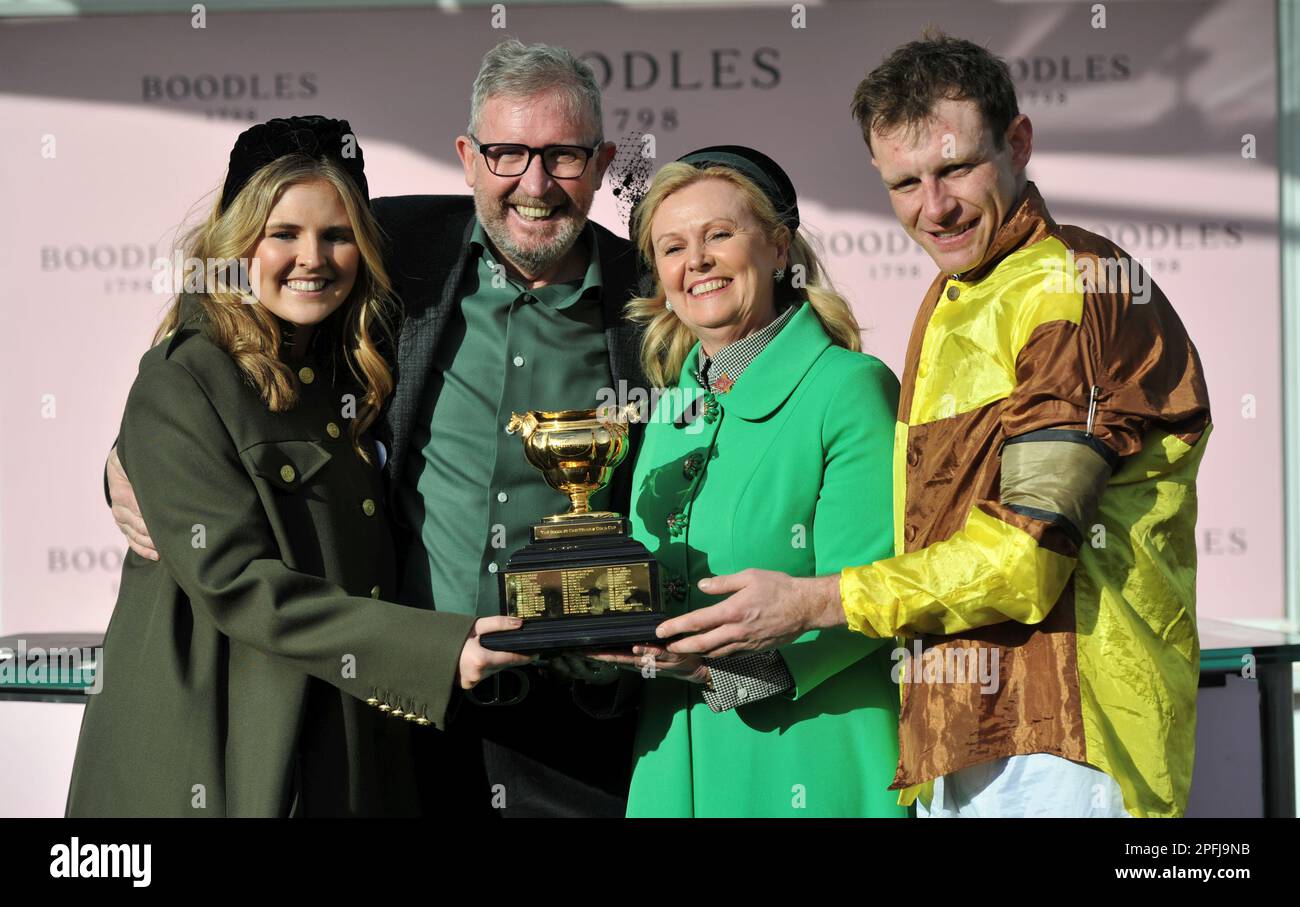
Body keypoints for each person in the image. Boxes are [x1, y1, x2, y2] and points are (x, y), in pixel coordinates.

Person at [656, 33, 1211, 819]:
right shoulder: (957, 291)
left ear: (1018, 143)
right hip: (960, 738)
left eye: (955, 169)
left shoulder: (1073, 290)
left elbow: (1026, 558)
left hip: (1069, 737)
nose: (933, 206)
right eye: (904, 183)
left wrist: (814, 601)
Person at [106, 41, 648, 818]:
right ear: (467, 158)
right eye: (506, 153)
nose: (534, 183)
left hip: (577, 725)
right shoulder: (399, 253)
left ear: (599, 164)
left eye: (562, 156)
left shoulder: (654, 296)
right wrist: (127, 464)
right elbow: (222, 365)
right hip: (400, 712)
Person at [68, 116, 531, 817]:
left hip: (349, 737)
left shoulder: (354, 365)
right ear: (237, 240)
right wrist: (438, 651)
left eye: (337, 234)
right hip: (220, 749)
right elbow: (238, 583)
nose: (312, 257)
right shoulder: (184, 377)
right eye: (282, 233)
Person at [587, 147, 905, 818]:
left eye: (719, 236)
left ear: (778, 244)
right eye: (672, 247)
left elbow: (874, 601)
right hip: (671, 765)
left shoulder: (850, 388)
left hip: (813, 766)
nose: (694, 261)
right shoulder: (670, 409)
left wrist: (713, 669)